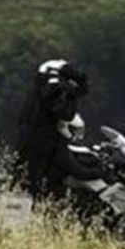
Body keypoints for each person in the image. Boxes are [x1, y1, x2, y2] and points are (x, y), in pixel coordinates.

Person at [14, 59, 112, 201]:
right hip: (45, 188)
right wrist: (103, 171)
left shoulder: (35, 100)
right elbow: (78, 171)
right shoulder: (52, 137)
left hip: (30, 160)